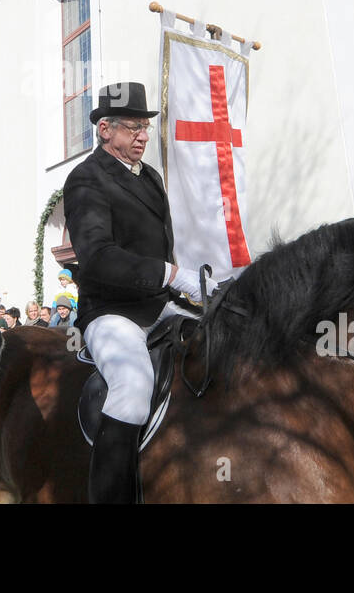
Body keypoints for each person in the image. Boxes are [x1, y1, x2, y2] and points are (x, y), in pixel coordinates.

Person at [62, 81, 219, 504]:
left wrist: (194, 286)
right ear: (104, 129)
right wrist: (170, 274)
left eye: (145, 127)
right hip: (112, 312)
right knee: (132, 390)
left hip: (161, 305)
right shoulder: (85, 180)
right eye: (133, 127)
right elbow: (96, 257)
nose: (143, 136)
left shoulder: (149, 177)